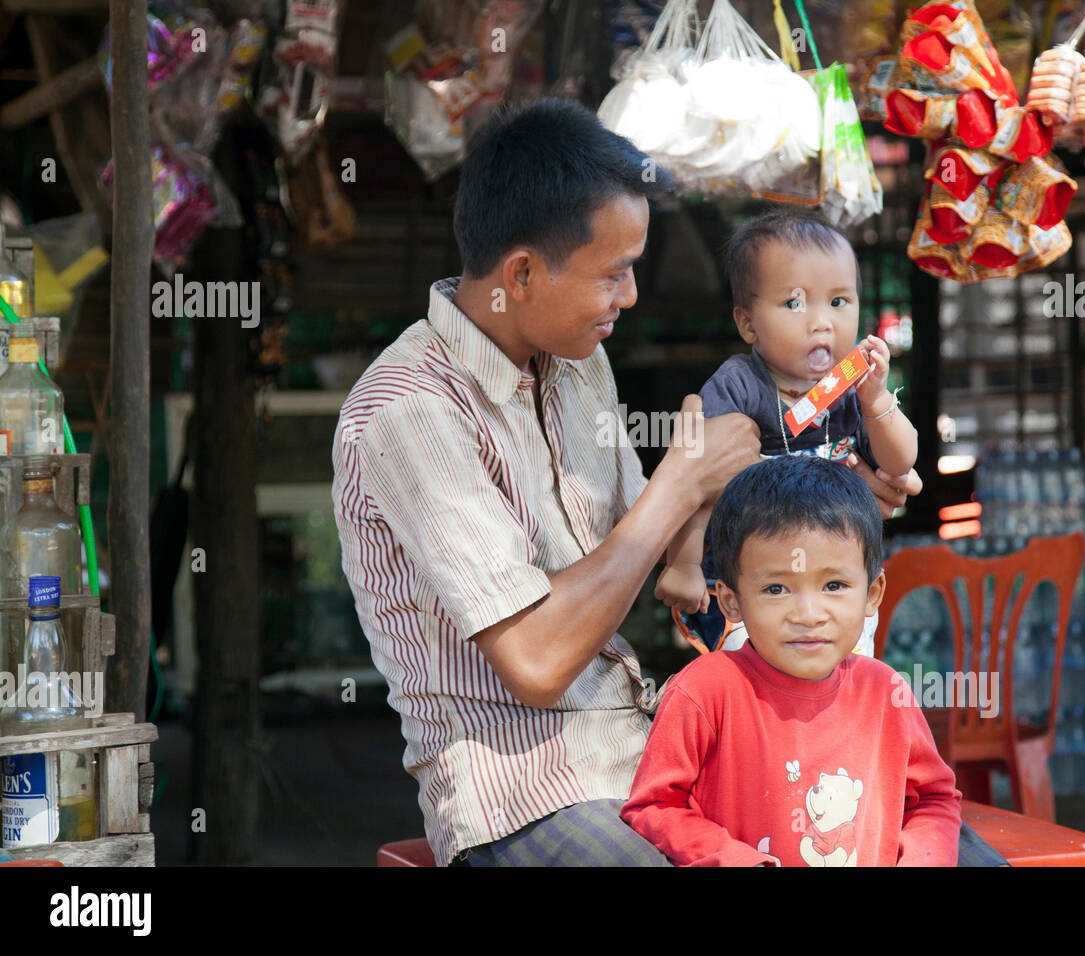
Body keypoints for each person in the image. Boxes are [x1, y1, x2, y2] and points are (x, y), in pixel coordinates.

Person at [331, 98, 924, 867]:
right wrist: (680, 482)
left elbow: (658, 557)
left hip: (649, 751)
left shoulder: (578, 365)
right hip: (522, 792)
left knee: (926, 845)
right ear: (522, 273)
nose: (632, 295)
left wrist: (807, 492)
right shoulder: (409, 412)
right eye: (614, 273)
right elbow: (540, 663)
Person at [622, 455, 961, 866]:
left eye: (834, 585)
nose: (808, 614)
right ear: (731, 602)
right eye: (777, 589)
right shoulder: (705, 691)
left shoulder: (886, 693)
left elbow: (933, 800)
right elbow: (654, 806)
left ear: (872, 593)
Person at [657, 210, 919, 654]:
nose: (822, 322)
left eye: (839, 302)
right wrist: (683, 565)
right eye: (795, 304)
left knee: (842, 680)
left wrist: (877, 402)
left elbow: (900, 464)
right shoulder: (739, 386)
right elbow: (700, 482)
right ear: (747, 323)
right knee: (755, 682)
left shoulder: (854, 386)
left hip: (836, 578)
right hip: (755, 585)